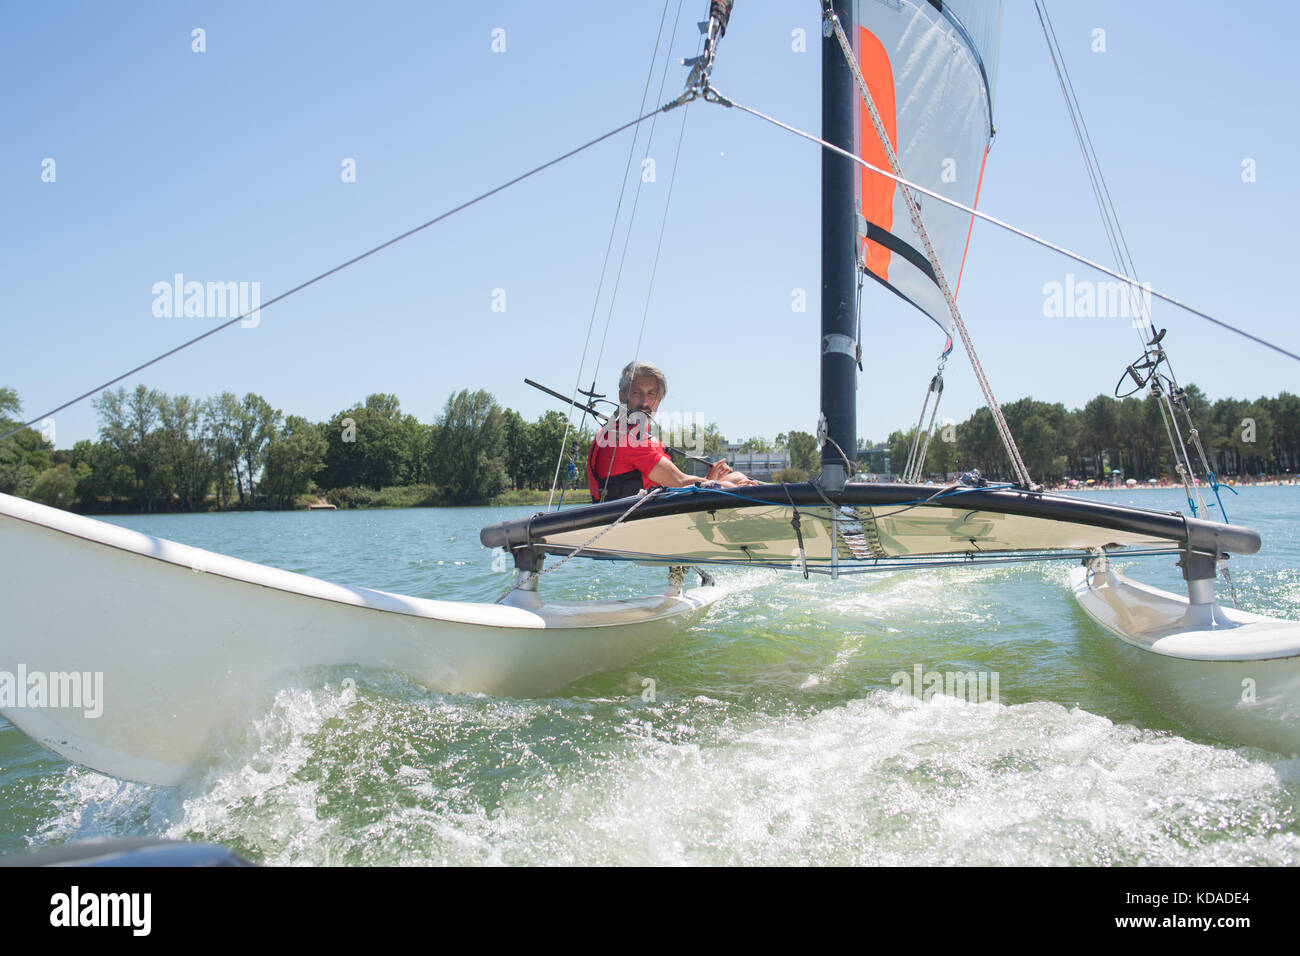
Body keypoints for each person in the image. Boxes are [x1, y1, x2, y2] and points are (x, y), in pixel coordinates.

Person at [587, 361, 759, 502]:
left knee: (735, 477)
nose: (644, 402)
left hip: (645, 512)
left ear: (659, 399)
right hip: (631, 521)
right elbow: (680, 482)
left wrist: (710, 479)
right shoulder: (629, 437)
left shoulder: (624, 432)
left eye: (651, 394)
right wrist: (715, 482)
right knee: (731, 484)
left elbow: (677, 482)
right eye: (636, 393)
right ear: (622, 397)